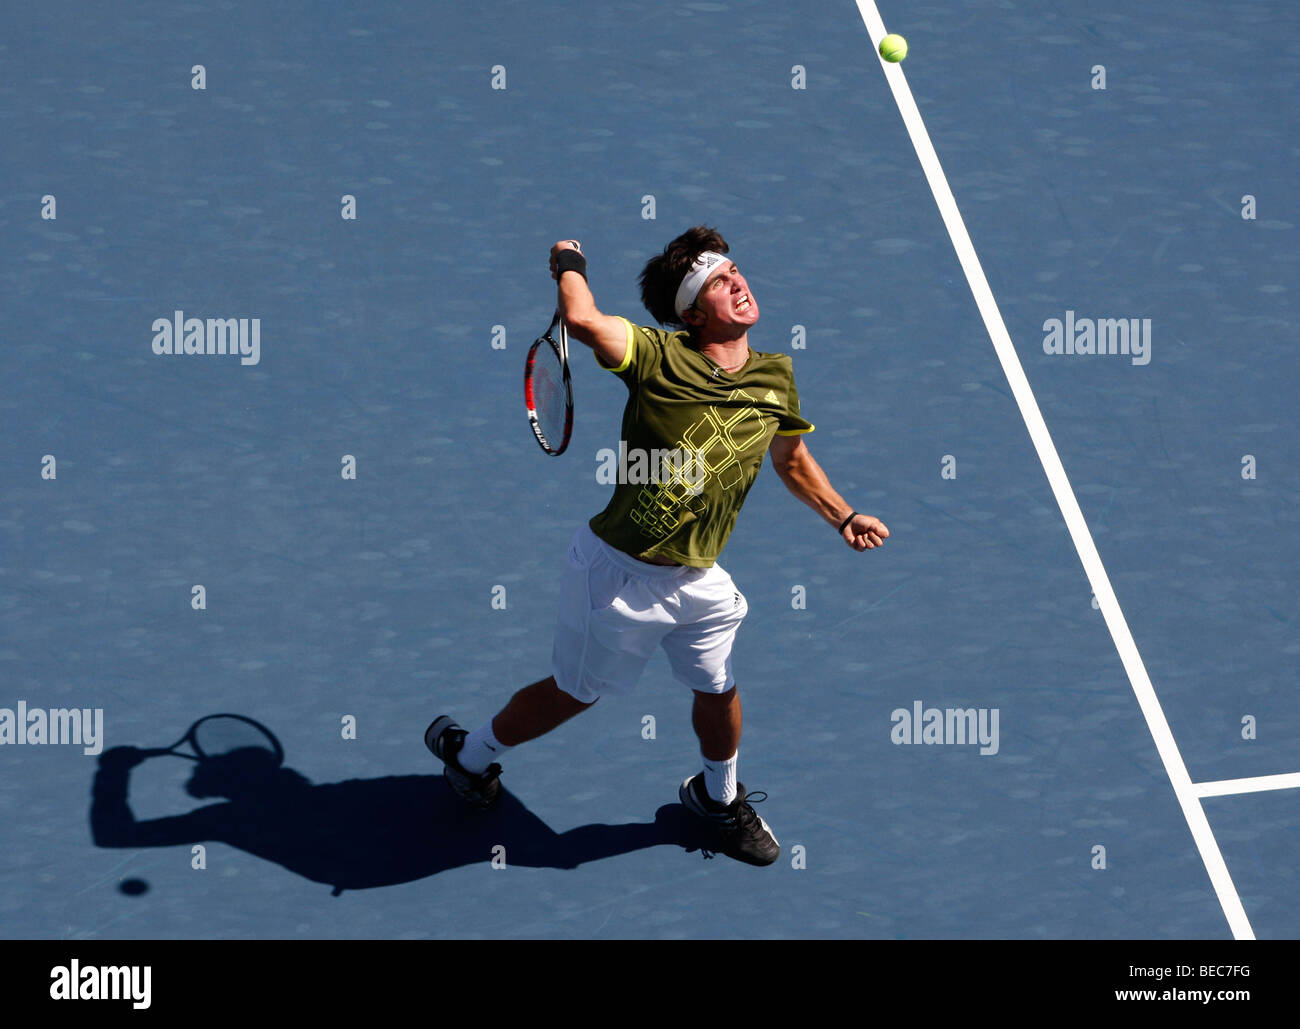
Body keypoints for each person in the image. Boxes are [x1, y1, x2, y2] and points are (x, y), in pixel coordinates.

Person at [427, 226, 889, 866]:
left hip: (698, 578)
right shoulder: (655, 356)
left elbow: (793, 460)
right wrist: (569, 261)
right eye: (720, 282)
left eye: (736, 271)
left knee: (719, 688)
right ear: (694, 314)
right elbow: (581, 317)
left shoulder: (775, 377)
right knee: (573, 694)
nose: (739, 282)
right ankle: (470, 755)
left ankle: (717, 799)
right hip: (616, 576)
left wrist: (844, 516)